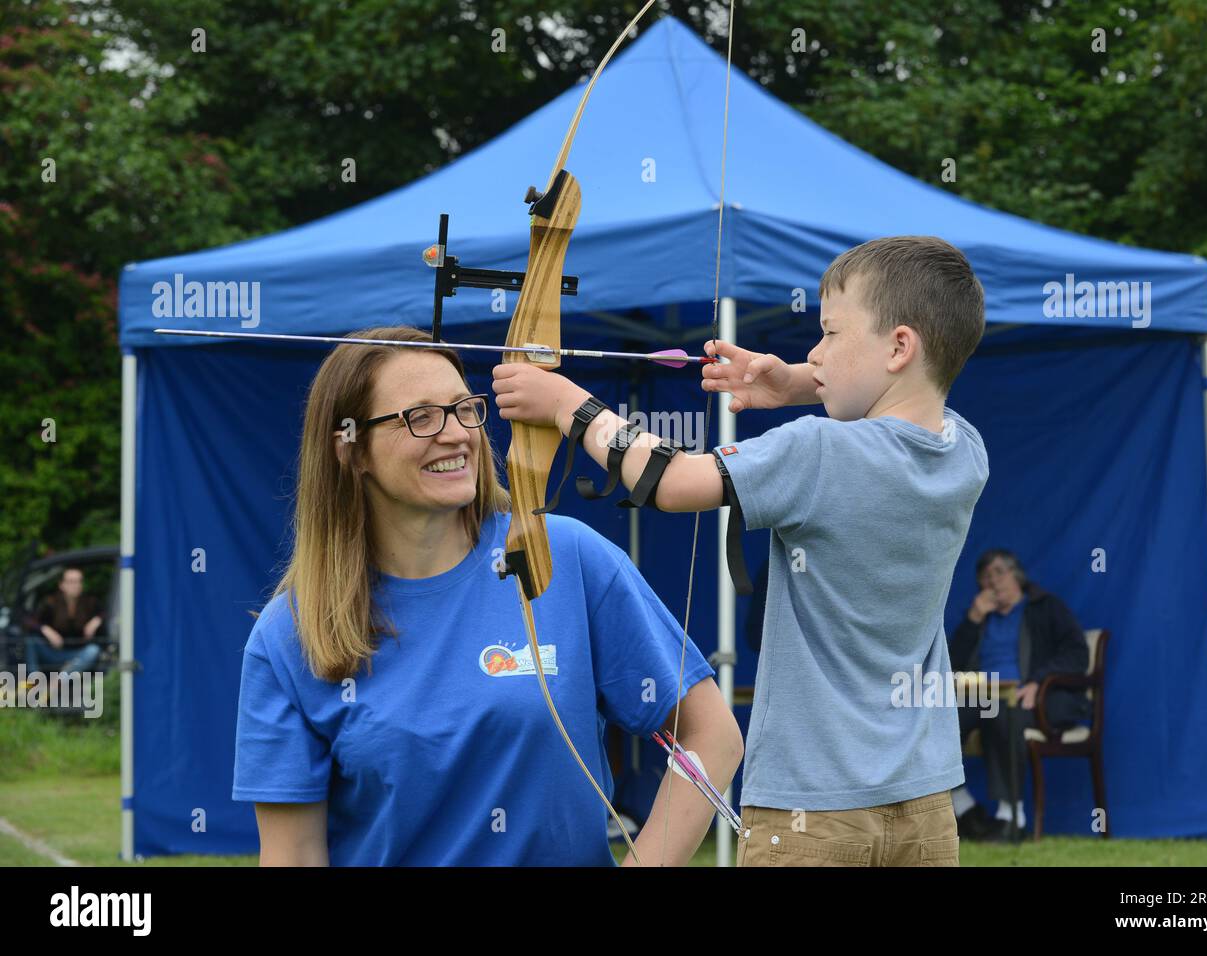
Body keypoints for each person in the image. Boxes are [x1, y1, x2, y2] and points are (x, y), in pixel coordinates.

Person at [494, 236, 988, 866]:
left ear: (897, 346)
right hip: (924, 801)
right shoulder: (964, 451)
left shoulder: (817, 451)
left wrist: (569, 405)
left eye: (830, 335)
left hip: (813, 809)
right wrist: (797, 382)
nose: (814, 353)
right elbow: (913, 392)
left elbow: (669, 481)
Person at [232, 327, 742, 866]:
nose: (456, 434)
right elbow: (292, 856)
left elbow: (711, 734)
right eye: (420, 417)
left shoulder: (563, 557)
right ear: (351, 450)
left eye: (464, 409)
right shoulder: (291, 631)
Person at [948, 549, 1091, 841]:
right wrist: (973, 619)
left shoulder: (1044, 607)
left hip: (1031, 697)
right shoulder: (980, 618)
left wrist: (1038, 681)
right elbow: (951, 665)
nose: (993, 582)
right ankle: (963, 808)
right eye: (985, 577)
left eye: (999, 572)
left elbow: (1077, 652)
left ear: (1017, 576)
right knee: (937, 720)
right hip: (983, 695)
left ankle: (1011, 816)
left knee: (1003, 710)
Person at [26, 567, 103, 675]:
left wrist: (97, 620)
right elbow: (28, 620)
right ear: (61, 585)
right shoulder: (51, 603)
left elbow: (107, 613)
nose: (76, 585)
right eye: (71, 581)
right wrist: (45, 629)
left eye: (79, 581)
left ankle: (57, 683)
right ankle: (34, 682)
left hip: (78, 655)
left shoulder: (90, 602)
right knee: (31, 640)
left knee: (93, 650)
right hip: (53, 652)